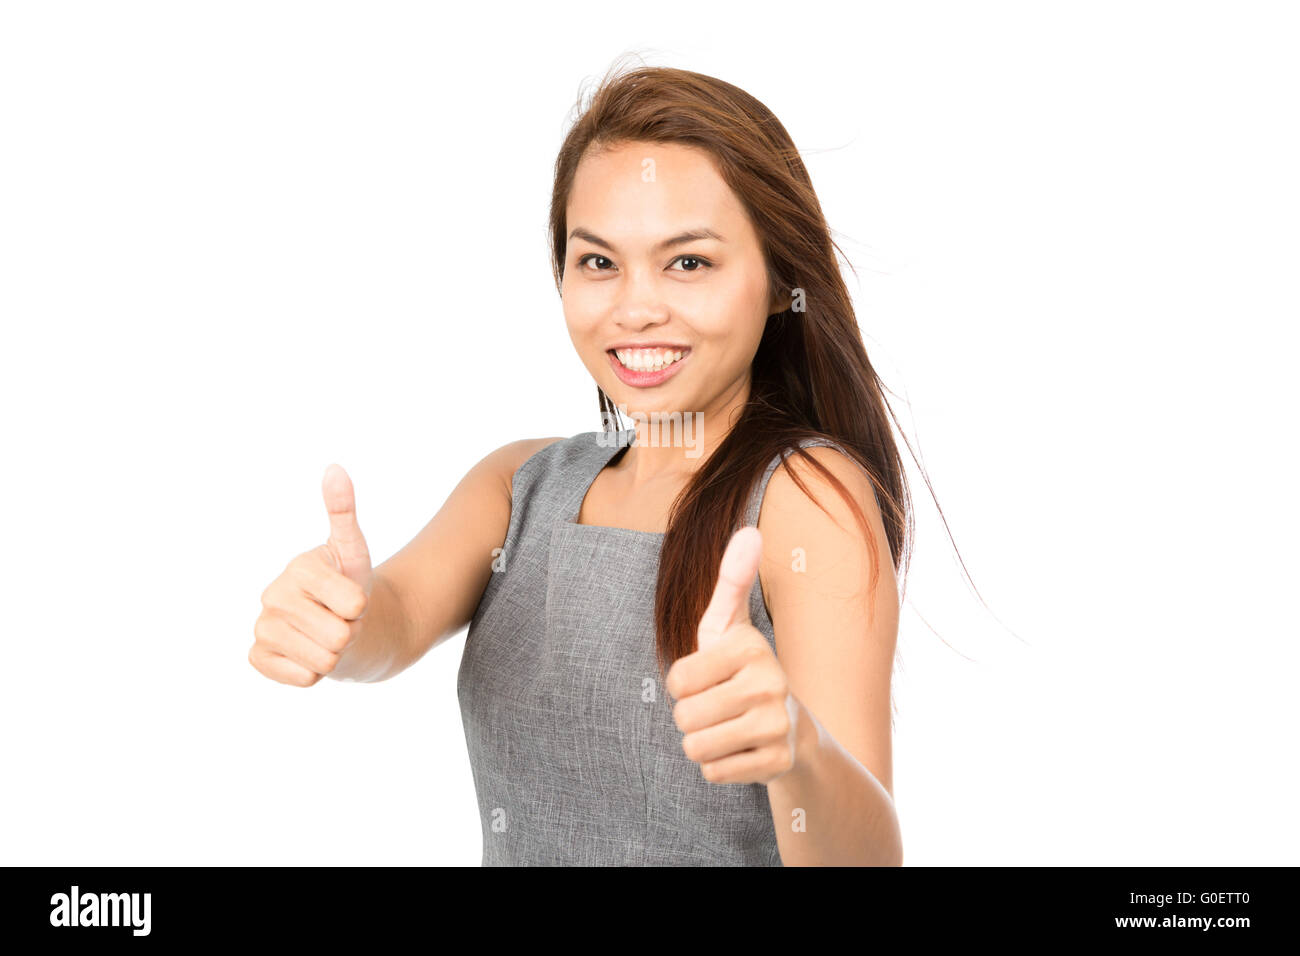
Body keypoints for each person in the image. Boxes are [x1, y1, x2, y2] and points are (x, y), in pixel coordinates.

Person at [251, 63, 908, 866]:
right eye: (599, 262)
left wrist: (798, 749)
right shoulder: (519, 485)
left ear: (779, 283)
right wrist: (337, 620)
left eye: (688, 263)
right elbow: (393, 615)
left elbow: (866, 860)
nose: (635, 307)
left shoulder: (806, 498)